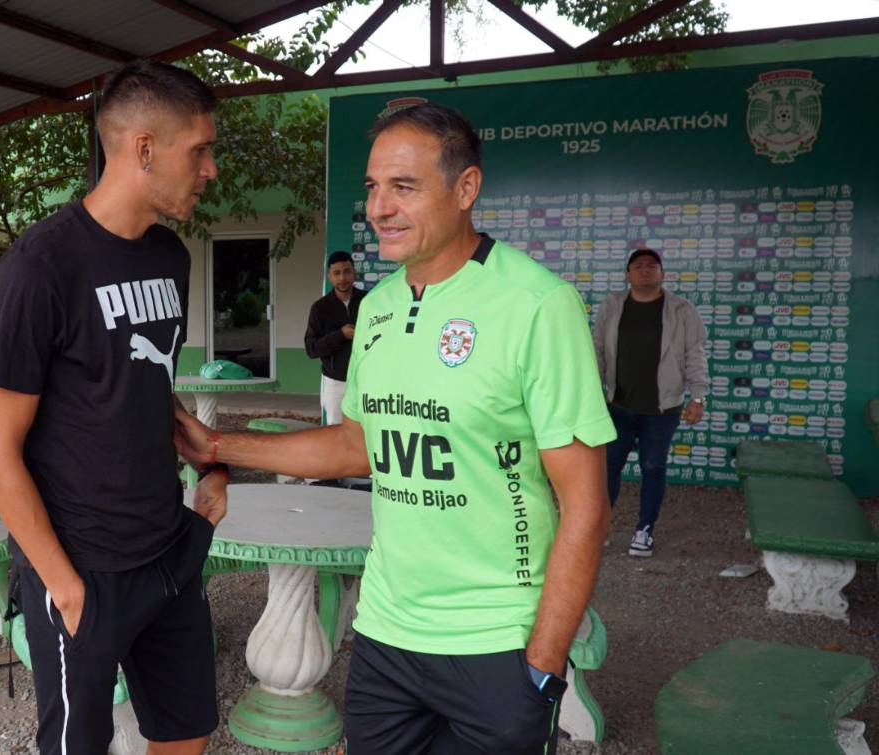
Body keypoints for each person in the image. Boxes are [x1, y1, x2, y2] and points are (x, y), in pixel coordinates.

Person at [175, 103, 614, 755]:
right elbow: (357, 443)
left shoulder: (537, 305)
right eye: (374, 186)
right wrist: (217, 445)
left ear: (466, 189)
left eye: (403, 187)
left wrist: (543, 664)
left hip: (496, 640)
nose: (380, 206)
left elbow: (587, 505)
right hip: (385, 636)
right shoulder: (377, 308)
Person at [0, 60, 226, 755]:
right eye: (199, 150)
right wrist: (63, 586)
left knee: (187, 730)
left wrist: (209, 455)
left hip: (166, 549)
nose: (210, 170)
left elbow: (138, 376)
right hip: (81, 564)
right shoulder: (42, 266)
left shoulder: (171, 257)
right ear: (145, 148)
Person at [592, 248, 709, 557]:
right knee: (608, 468)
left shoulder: (682, 310)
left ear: (662, 274)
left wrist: (698, 395)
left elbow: (694, 355)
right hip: (618, 406)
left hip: (662, 409)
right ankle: (600, 527)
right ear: (627, 275)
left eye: (651, 266)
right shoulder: (612, 306)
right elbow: (598, 352)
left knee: (653, 467)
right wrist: (592, 392)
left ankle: (644, 529)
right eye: (638, 266)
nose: (645, 270)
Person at [304, 250, 366, 425]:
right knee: (335, 431)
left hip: (366, 380)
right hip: (335, 382)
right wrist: (340, 335)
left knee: (366, 432)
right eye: (337, 273)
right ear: (329, 276)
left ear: (354, 273)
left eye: (347, 271)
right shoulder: (320, 308)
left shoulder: (369, 301)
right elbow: (311, 349)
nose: (342, 278)